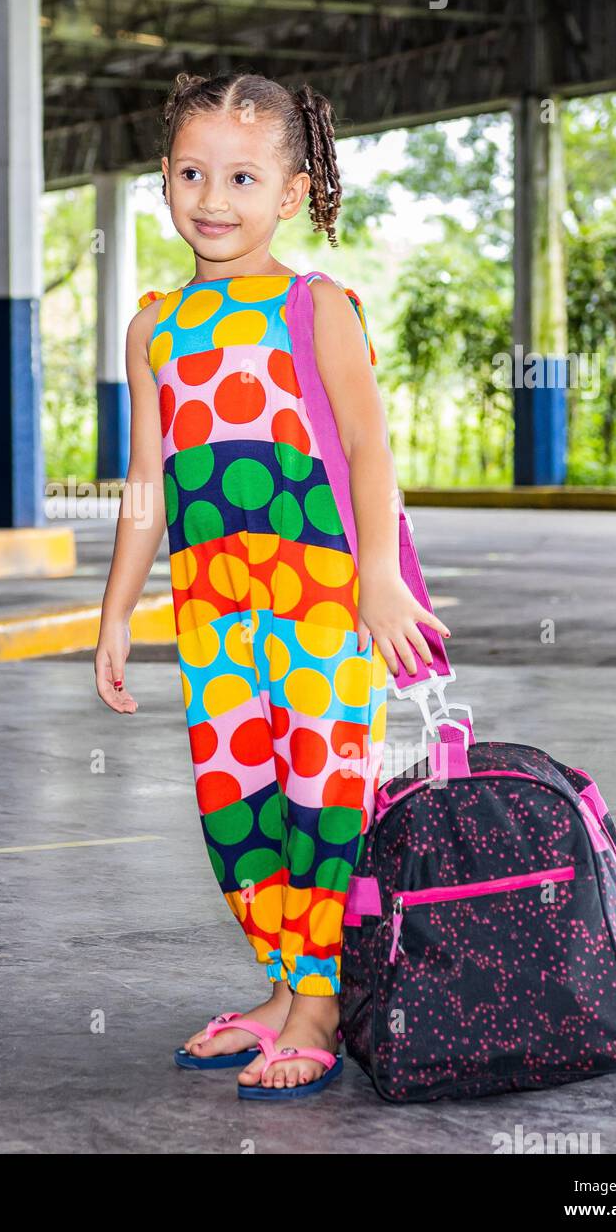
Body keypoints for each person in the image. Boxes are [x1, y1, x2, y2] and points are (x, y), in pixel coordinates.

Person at [94, 71, 449, 1101]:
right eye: (192, 172)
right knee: (236, 802)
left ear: (291, 191)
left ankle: (321, 1006)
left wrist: (379, 581)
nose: (214, 197)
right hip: (214, 612)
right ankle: (285, 985)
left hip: (322, 604)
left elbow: (371, 455)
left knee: (320, 801)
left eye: (242, 176)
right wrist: (116, 610)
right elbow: (148, 482)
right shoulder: (155, 323)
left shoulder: (317, 305)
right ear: (164, 178)